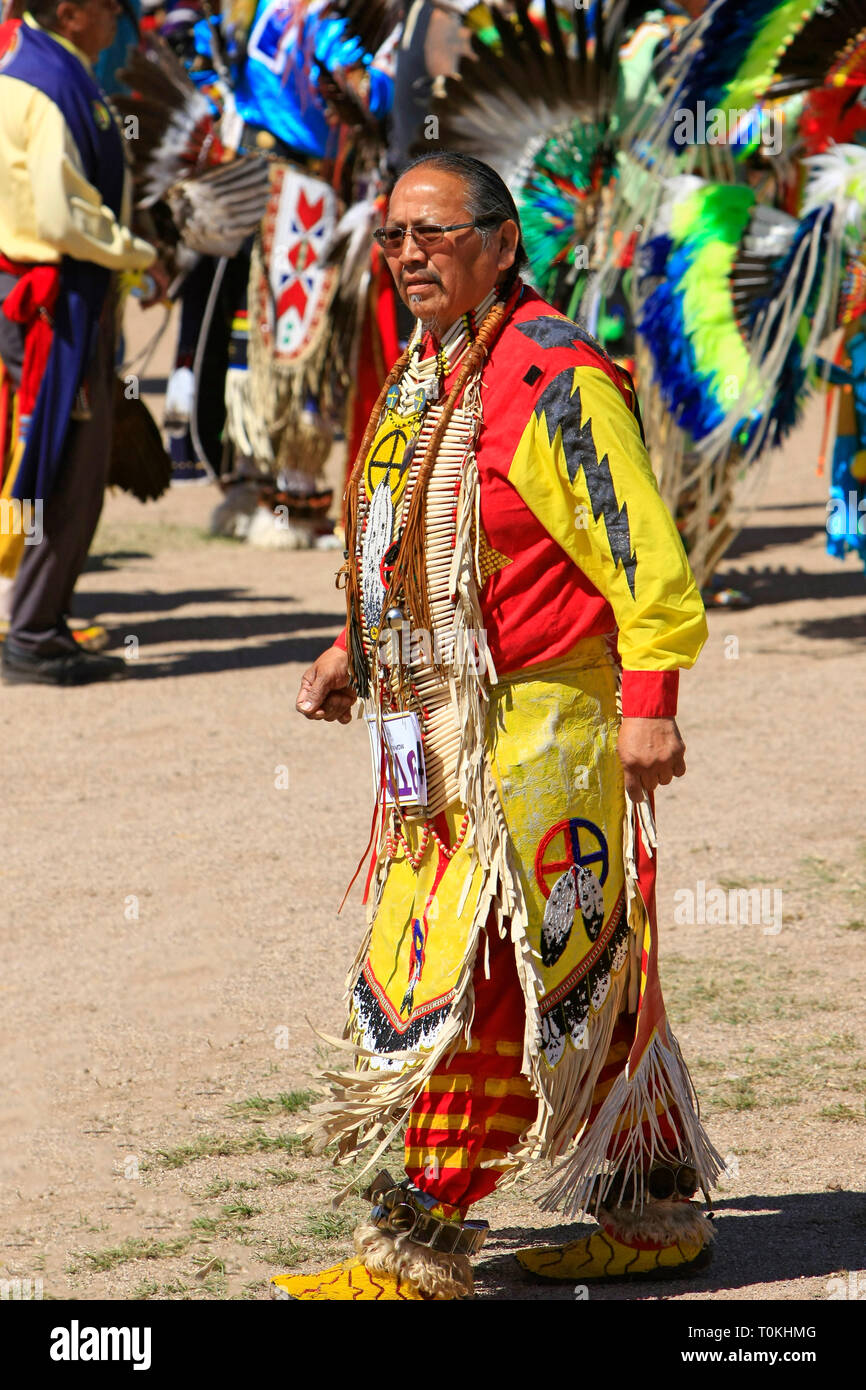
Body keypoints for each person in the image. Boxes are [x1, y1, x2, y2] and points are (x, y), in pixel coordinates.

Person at [276, 150, 721, 1302]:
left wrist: (648, 707)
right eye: (390, 237)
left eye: (432, 232)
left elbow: (648, 560)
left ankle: (417, 1239)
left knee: (493, 973)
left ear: (500, 242)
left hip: (543, 727)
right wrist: (353, 652)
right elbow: (403, 542)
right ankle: (650, 1201)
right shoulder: (425, 370)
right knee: (593, 968)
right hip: (444, 721)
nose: (407, 254)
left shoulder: (551, 377)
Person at [0, 0, 156, 685]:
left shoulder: (44, 65)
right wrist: (134, 252)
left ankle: (43, 619)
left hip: (53, 294)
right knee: (65, 464)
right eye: (110, 7)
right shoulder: (51, 82)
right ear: (70, 11)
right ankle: (32, 630)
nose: (120, 19)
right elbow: (63, 216)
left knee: (61, 456)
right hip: (54, 303)